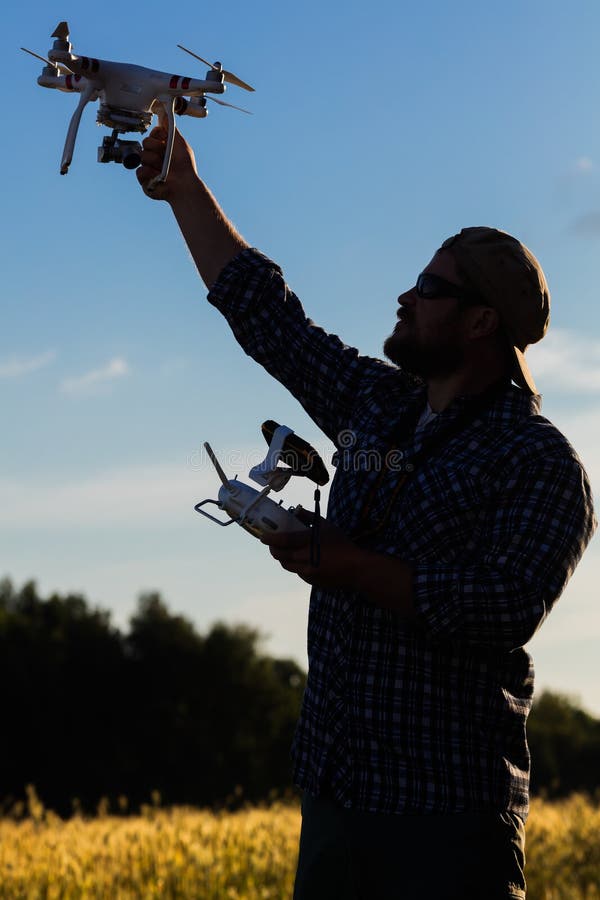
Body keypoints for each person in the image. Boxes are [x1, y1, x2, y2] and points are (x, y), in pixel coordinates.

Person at [137, 121, 596, 900]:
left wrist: (350, 565)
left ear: (482, 322)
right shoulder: (375, 407)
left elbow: (501, 607)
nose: (405, 298)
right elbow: (268, 317)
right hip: (334, 793)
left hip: (445, 818)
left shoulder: (542, 463)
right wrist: (184, 189)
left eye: (429, 290)